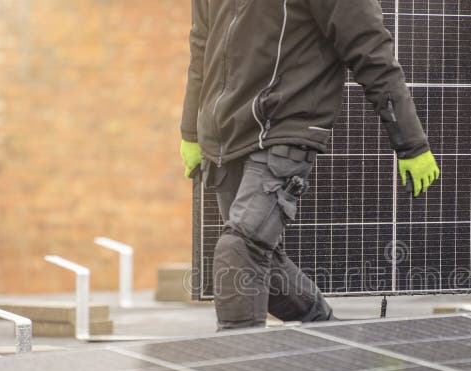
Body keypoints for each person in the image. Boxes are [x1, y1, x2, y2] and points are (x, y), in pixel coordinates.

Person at [179, 0, 440, 329]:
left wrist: (411, 142)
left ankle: (236, 364)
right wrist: (191, 130)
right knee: (262, 265)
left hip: (285, 127)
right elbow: (201, 43)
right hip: (224, 136)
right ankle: (331, 337)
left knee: (240, 251)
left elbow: (370, 47)